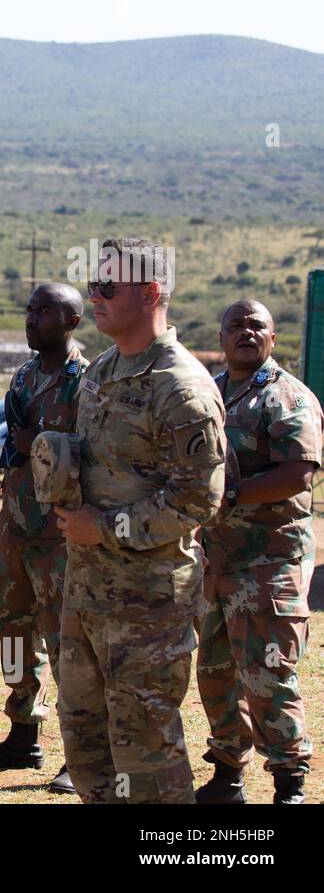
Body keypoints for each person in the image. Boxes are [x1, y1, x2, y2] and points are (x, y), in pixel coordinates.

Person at [52, 237, 225, 803]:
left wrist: (102, 527)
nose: (93, 297)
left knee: (144, 750)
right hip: (87, 591)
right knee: (85, 742)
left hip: (147, 603)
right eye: (92, 286)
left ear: (151, 293)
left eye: (107, 287)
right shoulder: (101, 370)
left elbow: (197, 500)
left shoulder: (180, 386)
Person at [194, 298, 319, 805]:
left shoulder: (287, 396)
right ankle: (228, 776)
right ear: (222, 338)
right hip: (213, 563)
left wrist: (231, 493)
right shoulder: (210, 394)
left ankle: (289, 782)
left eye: (256, 325)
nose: (245, 331)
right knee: (216, 674)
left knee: (269, 677)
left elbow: (300, 472)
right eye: (235, 325)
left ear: (272, 337)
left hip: (268, 564)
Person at [0, 283, 87, 792]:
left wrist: (33, 443)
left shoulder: (86, 382)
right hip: (17, 526)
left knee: (66, 645)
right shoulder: (25, 376)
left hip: (61, 536)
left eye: (46, 312)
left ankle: (78, 754)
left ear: (72, 321)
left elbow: (93, 455)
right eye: (30, 310)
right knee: (16, 634)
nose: (32, 320)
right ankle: (23, 734)